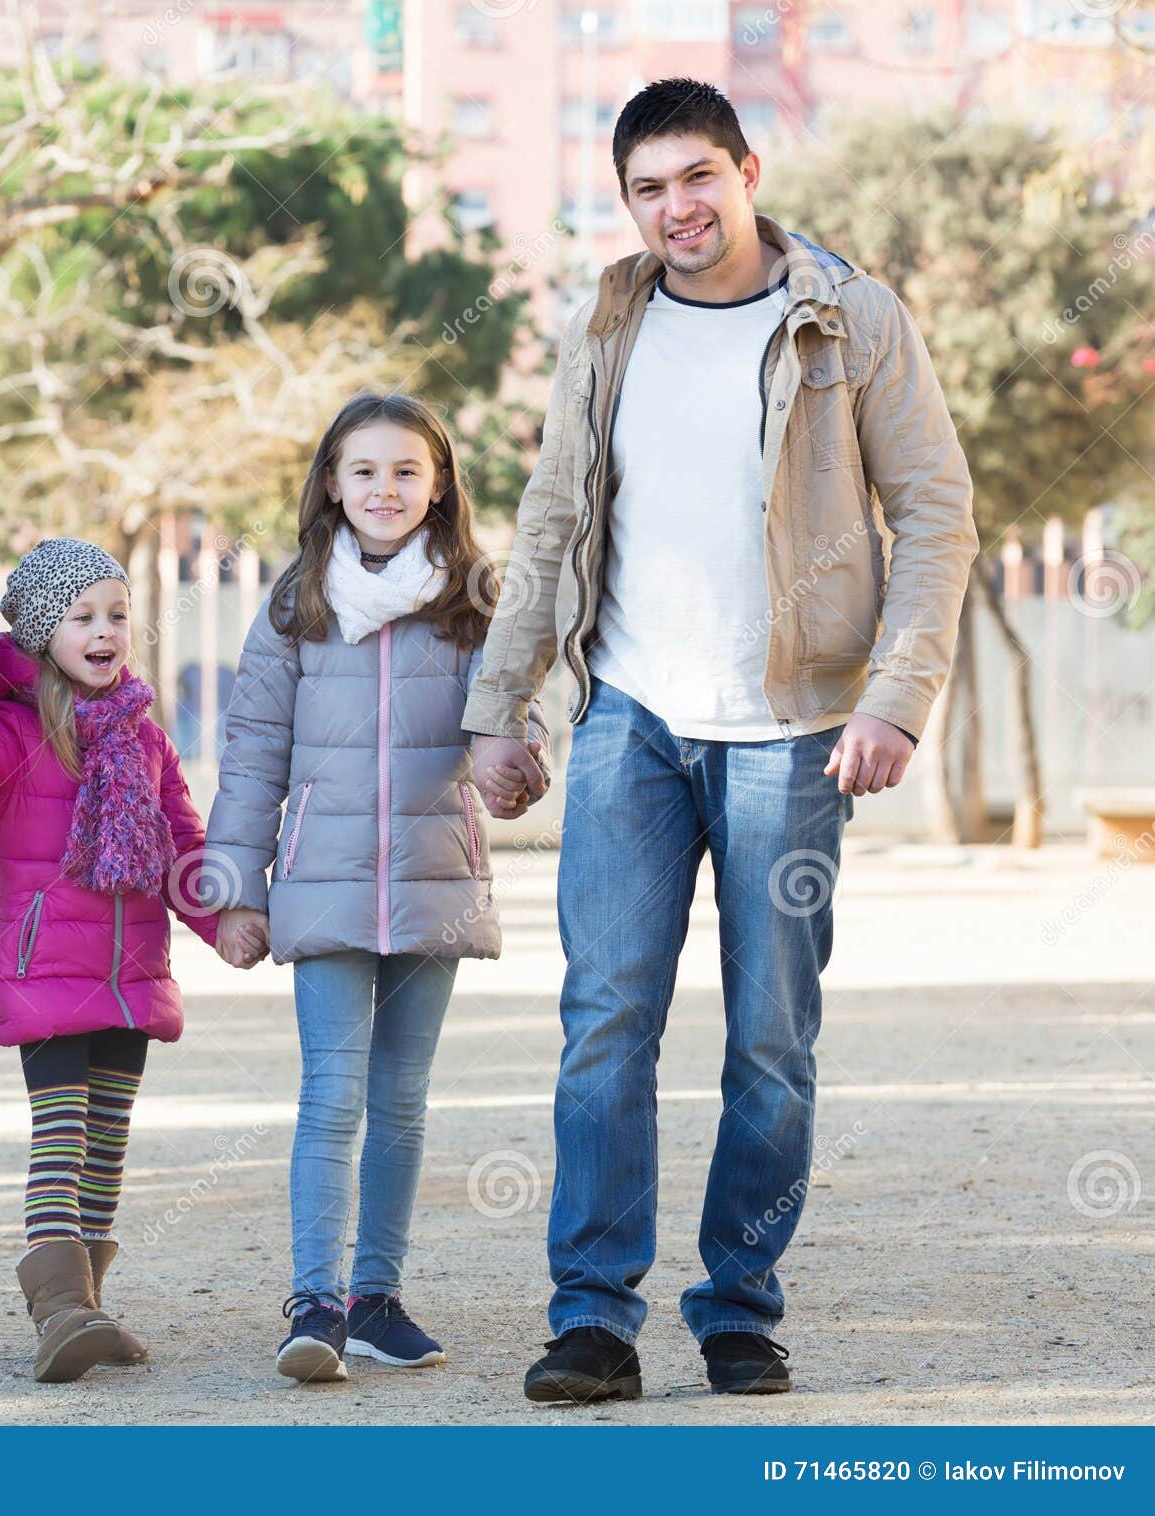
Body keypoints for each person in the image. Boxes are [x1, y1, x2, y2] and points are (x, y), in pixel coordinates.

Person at [461, 79, 979, 1402]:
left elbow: (934, 511)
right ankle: (592, 1318)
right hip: (628, 720)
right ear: (627, 204)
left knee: (770, 1039)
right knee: (604, 1022)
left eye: (697, 176)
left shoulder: (849, 316)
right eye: (648, 188)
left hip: (791, 731)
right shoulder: (608, 321)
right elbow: (550, 518)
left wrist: (895, 696)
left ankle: (740, 1307)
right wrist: (499, 706)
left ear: (747, 172)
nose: (676, 207)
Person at [204, 392, 547, 1383]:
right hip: (323, 879)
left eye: (406, 471)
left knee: (401, 1099)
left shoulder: (478, 599)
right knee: (332, 1093)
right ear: (331, 484)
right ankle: (313, 1303)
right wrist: (238, 890)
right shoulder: (295, 604)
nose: (384, 489)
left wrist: (519, 768)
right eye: (364, 471)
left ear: (439, 485)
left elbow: (515, 719)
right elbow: (252, 751)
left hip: (436, 876)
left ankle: (375, 1301)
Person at [0, 539, 222, 1382]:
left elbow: (184, 849)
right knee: (61, 1134)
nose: (105, 630)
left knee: (107, 1145)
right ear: (45, 632)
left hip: (132, 975)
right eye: (83, 616)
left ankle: (89, 1306)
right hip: (46, 973)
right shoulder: (13, 728)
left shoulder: (146, 739)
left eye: (117, 614)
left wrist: (231, 923)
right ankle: (58, 1308)